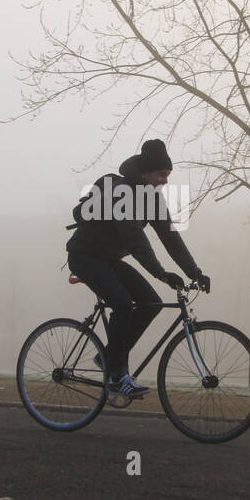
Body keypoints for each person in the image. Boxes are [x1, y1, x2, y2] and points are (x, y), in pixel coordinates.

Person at [65, 139, 211, 397]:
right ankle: (117, 375)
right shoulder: (121, 192)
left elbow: (170, 237)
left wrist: (195, 272)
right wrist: (161, 273)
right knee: (122, 304)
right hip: (85, 256)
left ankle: (109, 356)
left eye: (168, 175)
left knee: (150, 303)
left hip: (108, 259)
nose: (165, 181)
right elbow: (134, 239)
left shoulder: (151, 198)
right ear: (146, 173)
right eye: (162, 174)